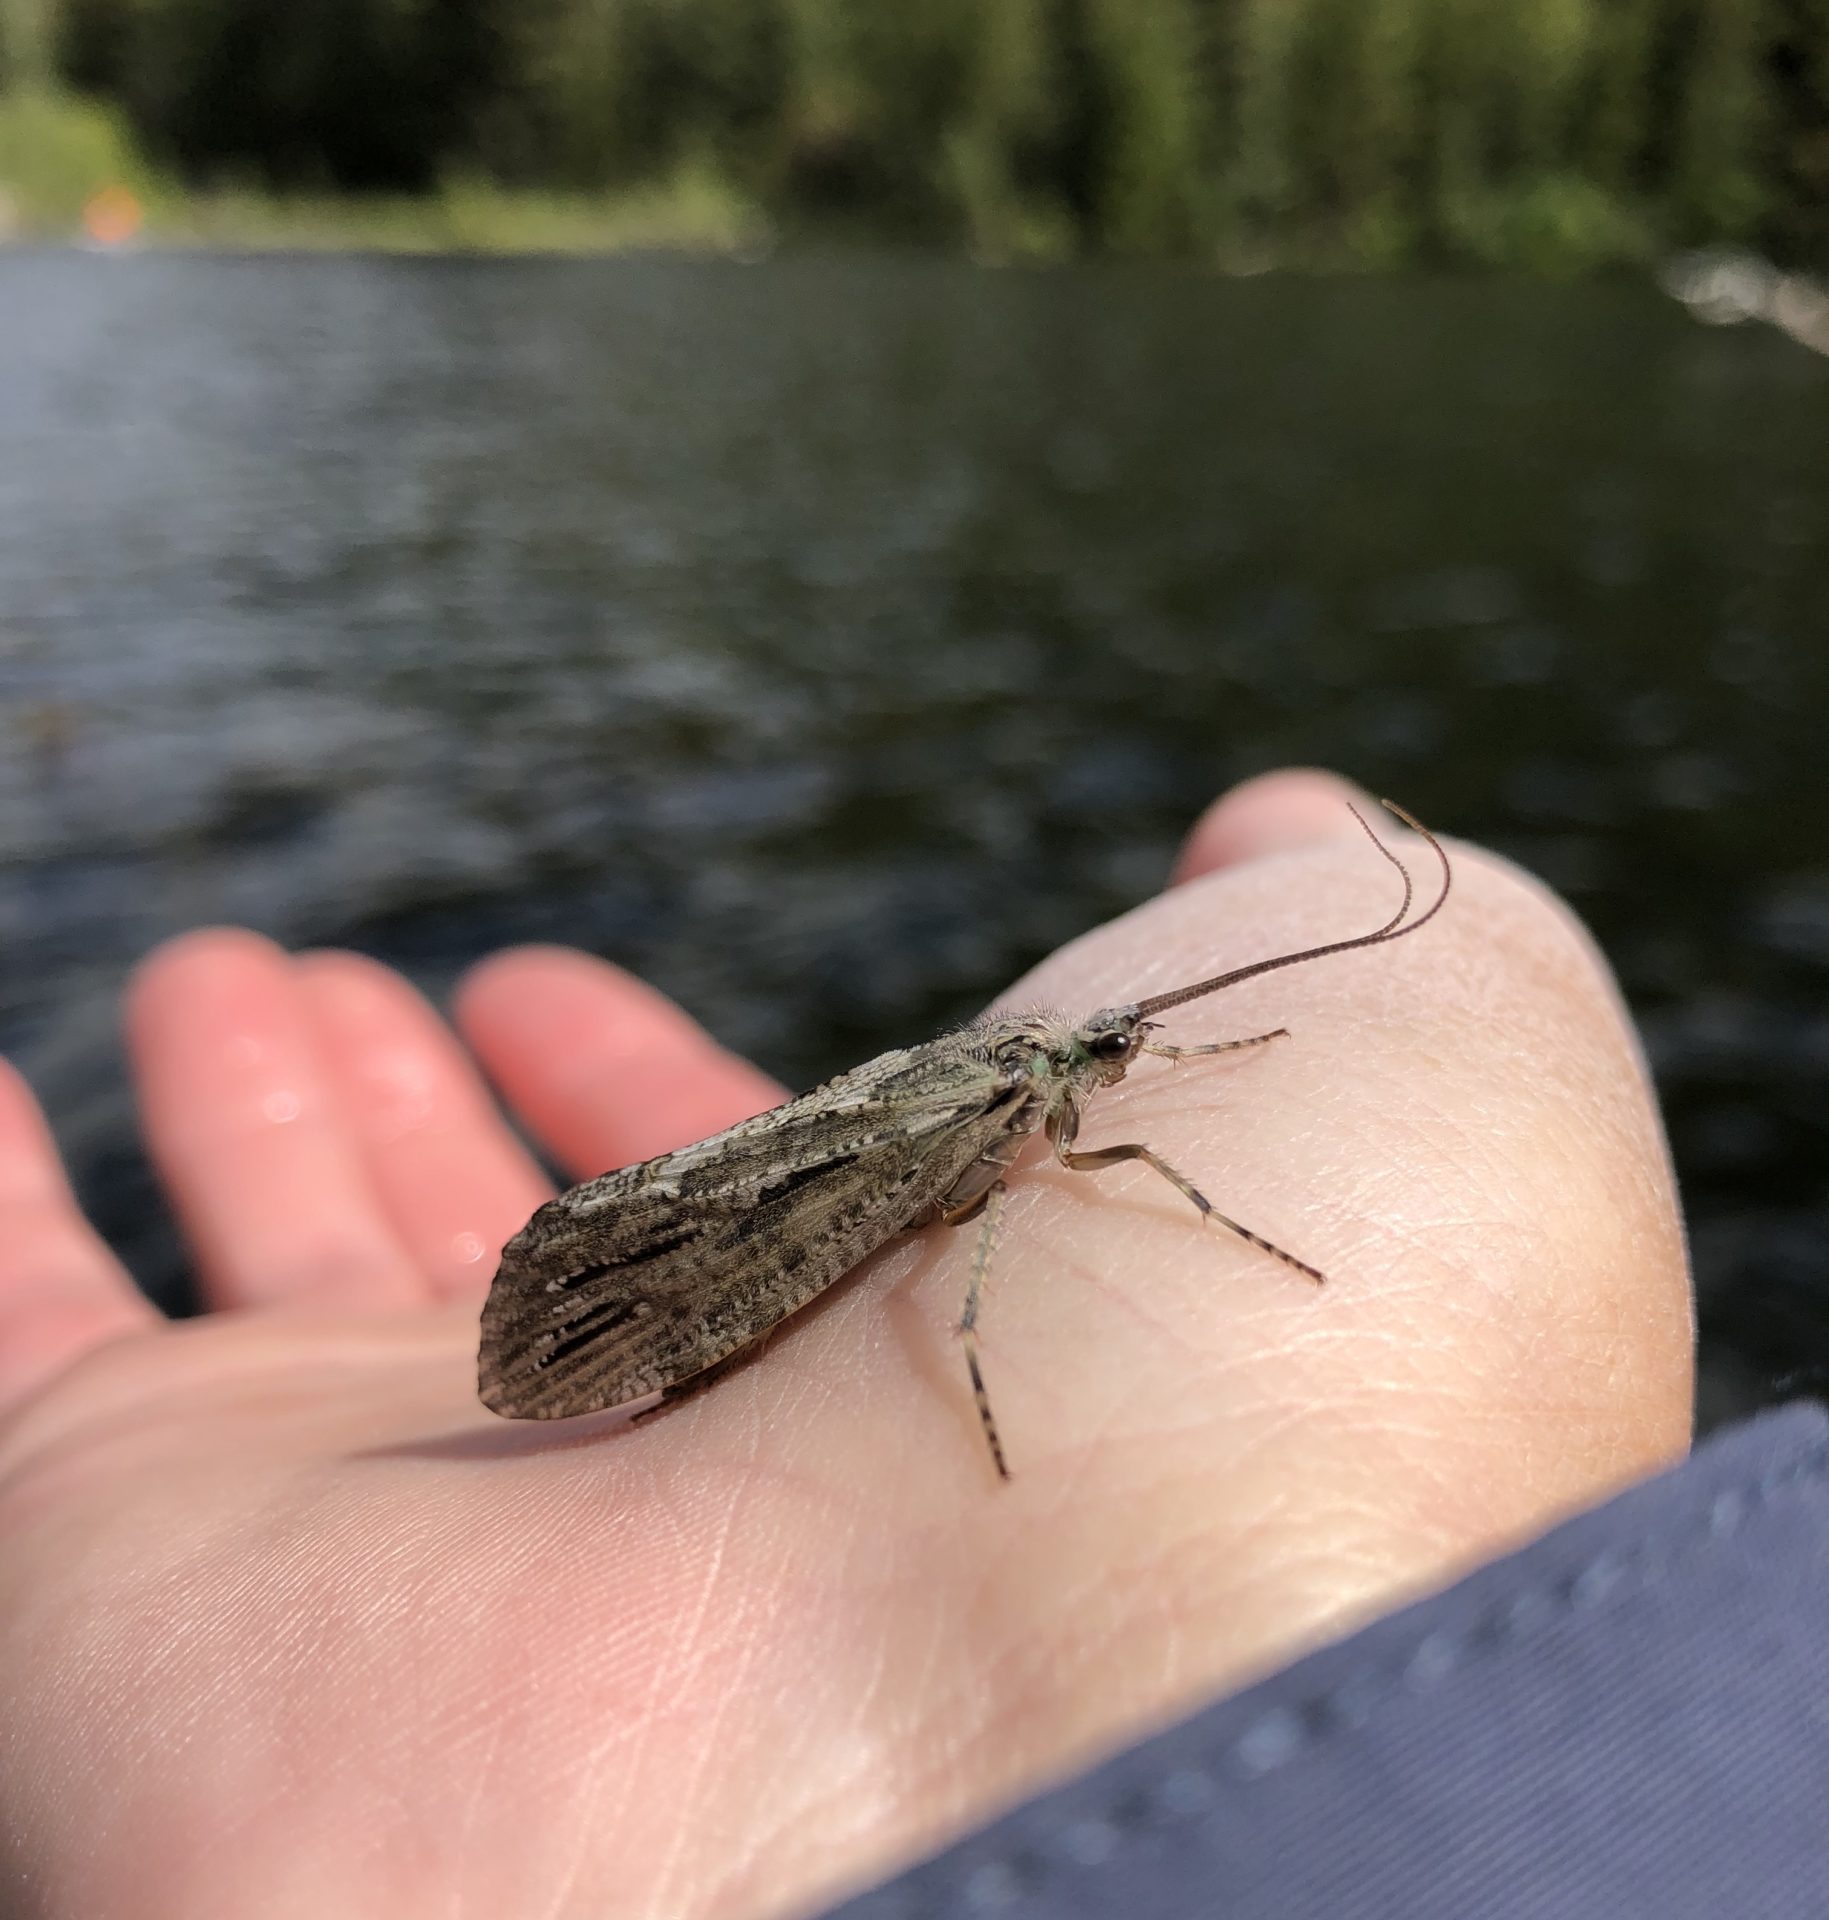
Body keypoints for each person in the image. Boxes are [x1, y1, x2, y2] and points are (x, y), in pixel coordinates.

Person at [0, 770, 1697, 1918]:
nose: (1112, 1068)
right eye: (1107, 1056)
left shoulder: (1056, 1076)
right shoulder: (1029, 1100)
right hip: (767, 1212)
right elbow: (970, 1211)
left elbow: (1096, 1087)